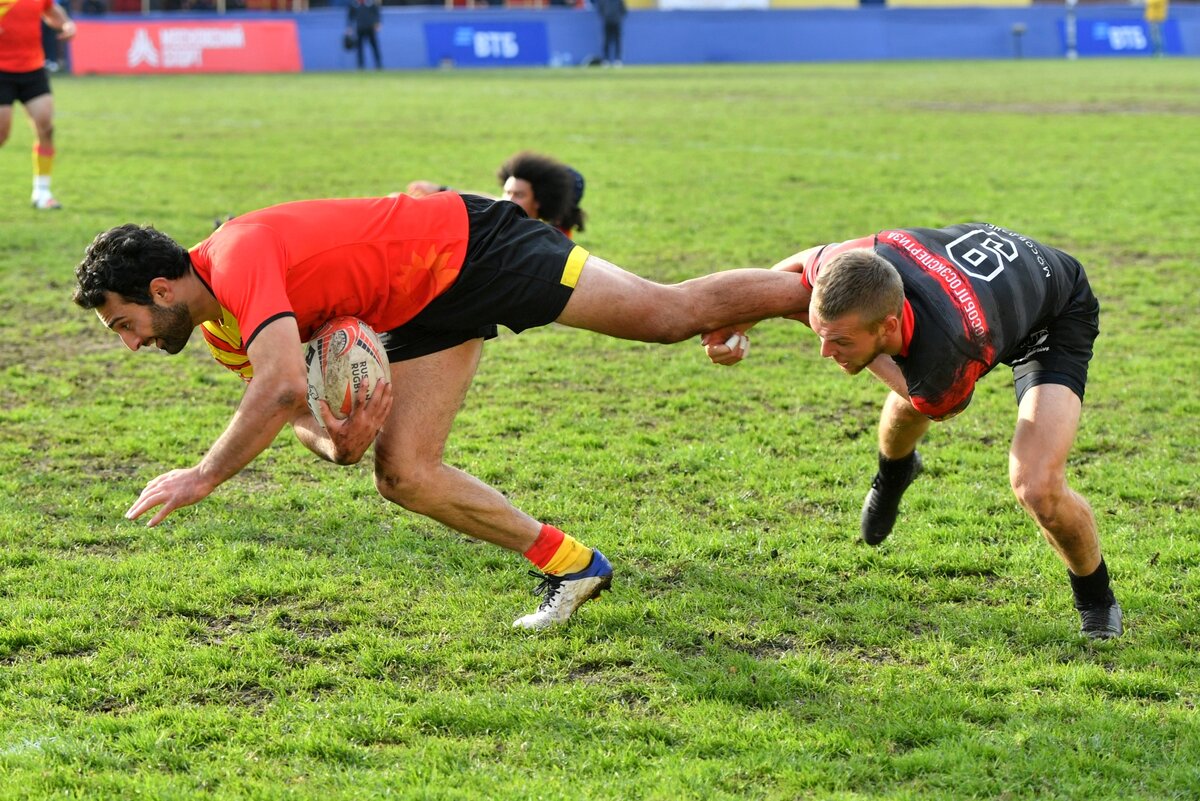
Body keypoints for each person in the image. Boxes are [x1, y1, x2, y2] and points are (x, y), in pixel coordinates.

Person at [72, 192, 810, 630]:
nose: (131, 344)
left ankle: (827, 279)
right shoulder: (218, 330)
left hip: (470, 246)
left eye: (122, 324)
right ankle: (575, 567)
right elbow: (292, 405)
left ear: (161, 289)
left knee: (667, 315)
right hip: (414, 309)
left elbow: (280, 389)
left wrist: (201, 475)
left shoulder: (237, 255)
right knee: (404, 474)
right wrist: (339, 442)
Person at [705, 223, 1123, 640]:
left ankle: (1096, 598)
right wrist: (742, 323)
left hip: (1055, 311)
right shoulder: (863, 260)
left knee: (1036, 487)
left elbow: (937, 404)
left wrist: (857, 354)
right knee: (908, 395)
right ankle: (895, 472)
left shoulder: (948, 358)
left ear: (887, 324)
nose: (825, 353)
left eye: (841, 341)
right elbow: (798, 265)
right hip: (974, 286)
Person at [406, 151, 587, 239]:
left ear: (540, 199)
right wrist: (441, 189)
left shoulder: (545, 239)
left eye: (519, 195)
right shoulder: (520, 215)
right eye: (507, 192)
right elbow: (489, 199)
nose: (508, 200)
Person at [0, 0, 75, 210]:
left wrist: (66, 24)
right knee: (1, 134)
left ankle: (42, 193)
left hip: (33, 70)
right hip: (1, 72)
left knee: (46, 128)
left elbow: (50, 9)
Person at [345, 0, 381, 70]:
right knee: (359, 48)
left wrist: (377, 23)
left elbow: (376, 13)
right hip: (360, 28)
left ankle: (378, 65)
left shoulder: (370, 3)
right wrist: (349, 27)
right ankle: (360, 66)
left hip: (370, 28)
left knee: (374, 47)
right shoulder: (354, 4)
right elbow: (350, 16)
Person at [594, 0, 627, 67]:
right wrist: (605, 17)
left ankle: (618, 60)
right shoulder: (604, 1)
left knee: (617, 41)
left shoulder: (619, 1)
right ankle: (606, 60)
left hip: (616, 22)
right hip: (607, 22)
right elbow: (600, 10)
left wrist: (618, 18)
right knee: (606, 41)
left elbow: (624, 10)